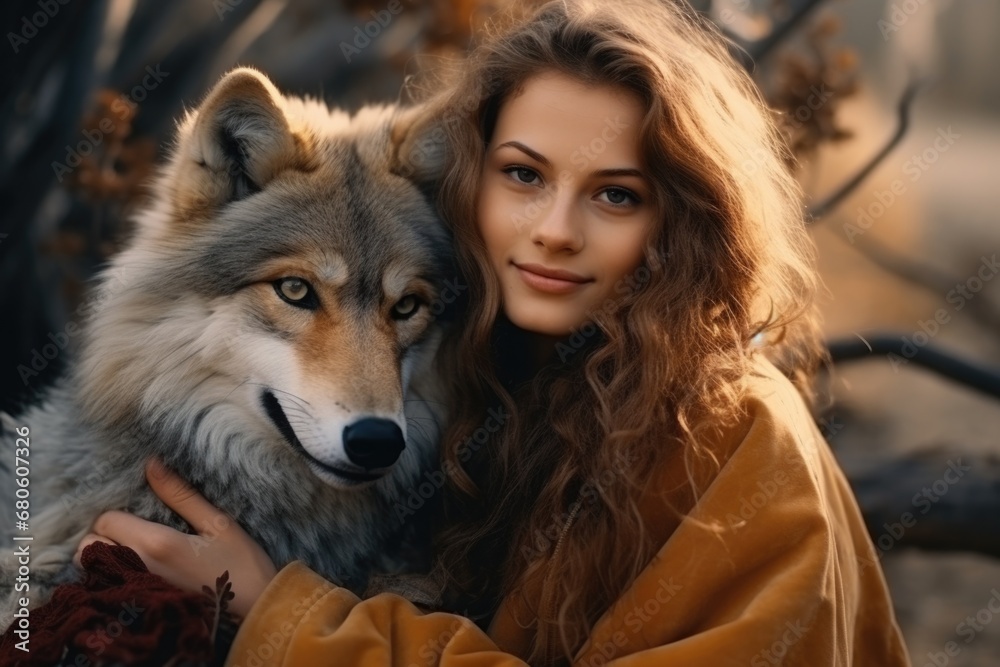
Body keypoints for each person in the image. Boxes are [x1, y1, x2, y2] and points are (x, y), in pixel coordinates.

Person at [74, 0, 912, 664]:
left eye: (615, 193)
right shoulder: (491, 375)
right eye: (523, 175)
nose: (555, 230)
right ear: (468, 182)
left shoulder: (738, 431)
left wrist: (284, 615)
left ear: (682, 220)